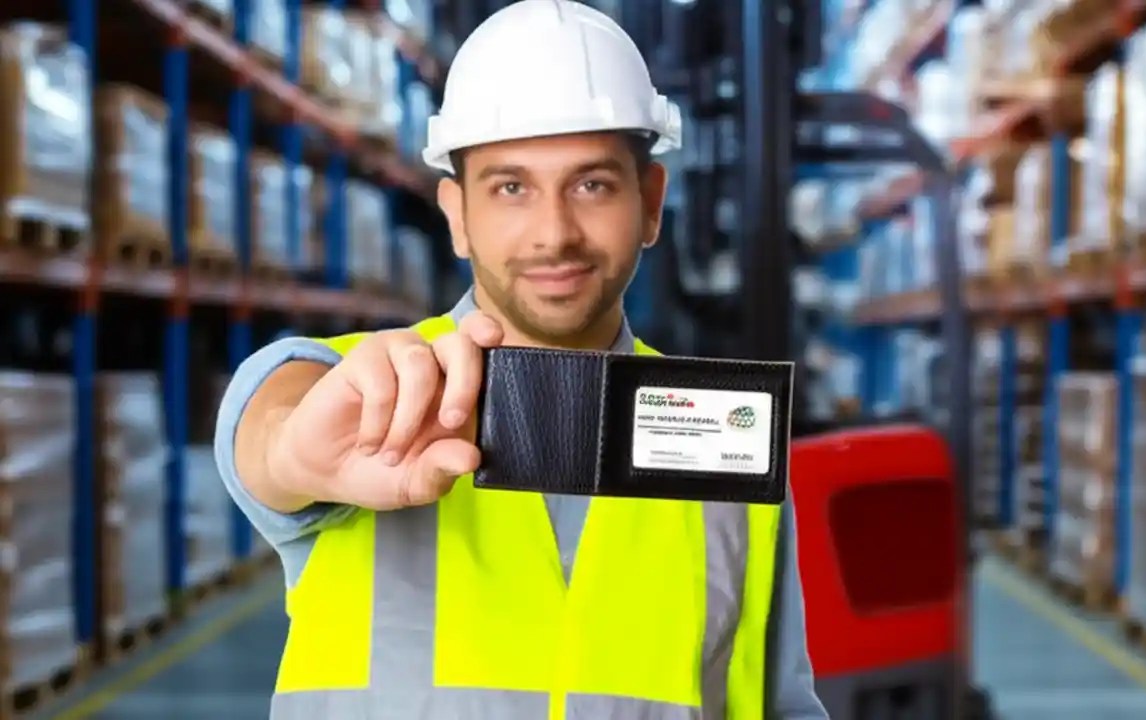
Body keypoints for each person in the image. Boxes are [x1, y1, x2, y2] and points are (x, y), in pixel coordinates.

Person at [214, 1, 828, 718]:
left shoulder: (729, 437)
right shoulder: (364, 397)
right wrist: (290, 454)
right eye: (512, 188)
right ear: (457, 216)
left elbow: (780, 700)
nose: (554, 233)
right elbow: (269, 431)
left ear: (650, 202)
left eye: (592, 184)